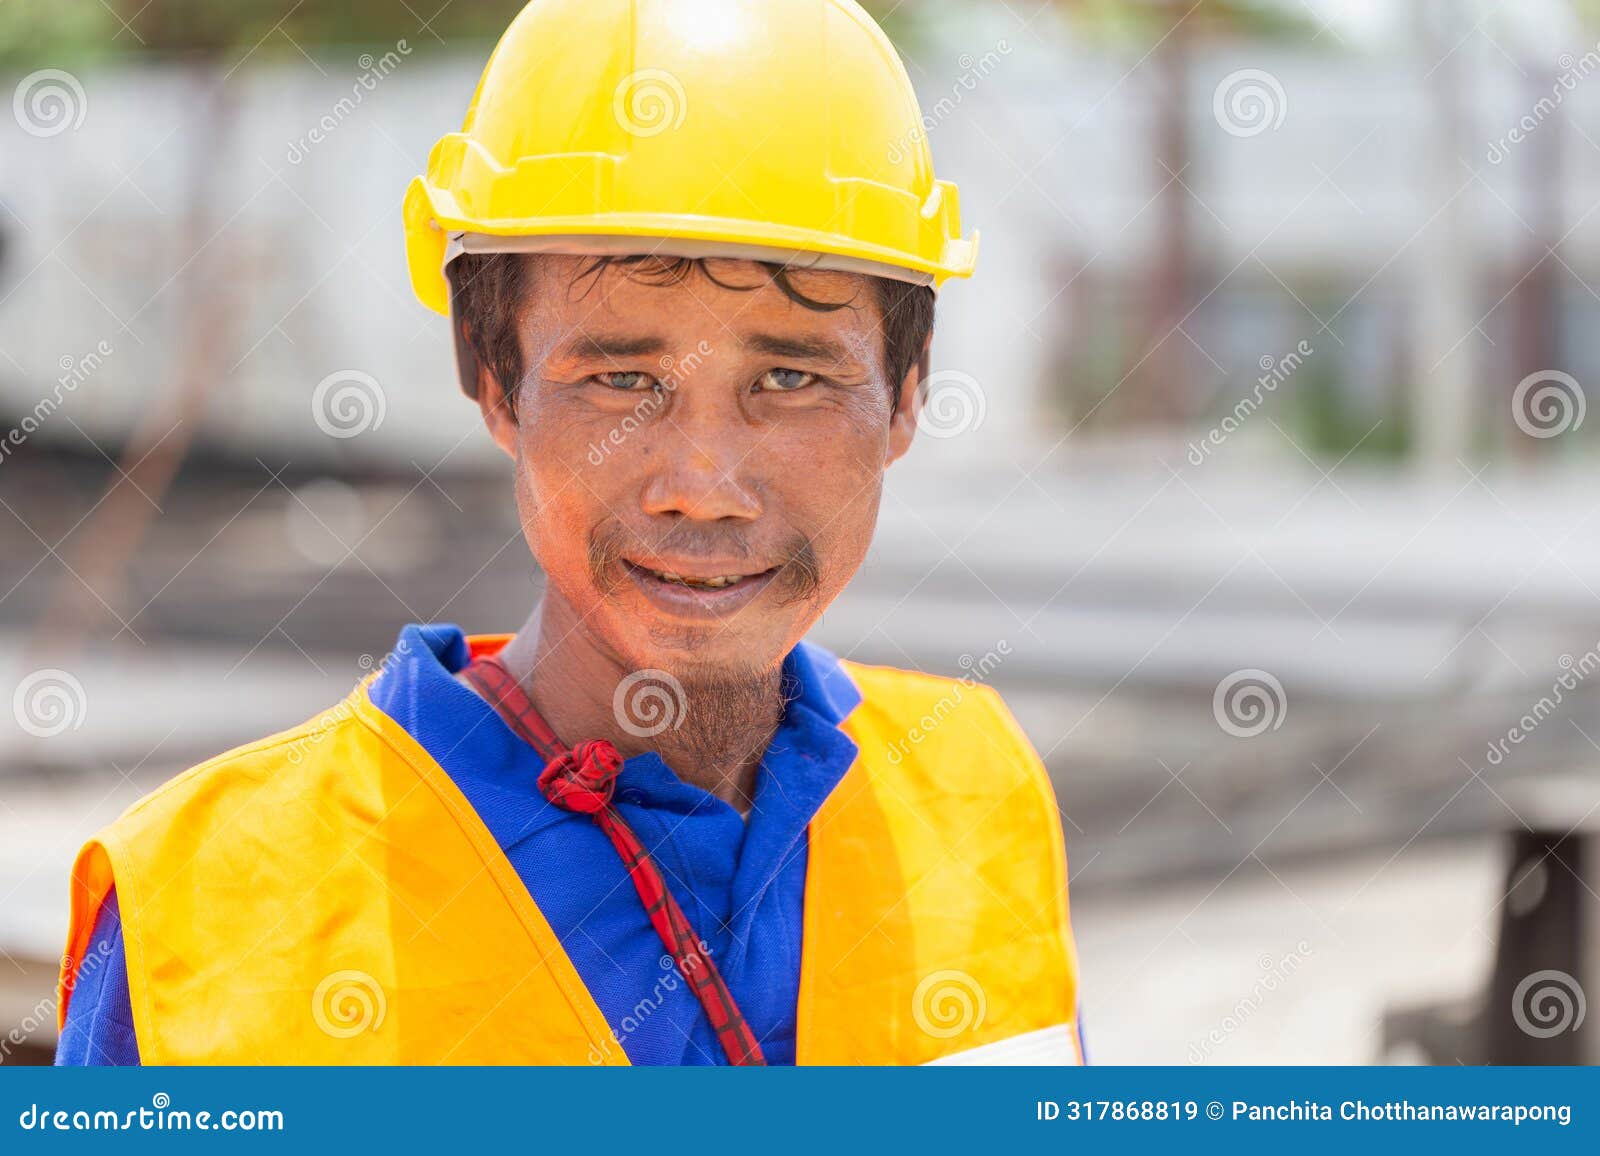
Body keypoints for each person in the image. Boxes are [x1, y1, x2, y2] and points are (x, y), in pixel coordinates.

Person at [56, 0, 1083, 1066]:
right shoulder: (214, 919)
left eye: (790, 376)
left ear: (906, 394)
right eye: (620, 380)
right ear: (493, 380)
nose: (705, 487)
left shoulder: (973, 796)